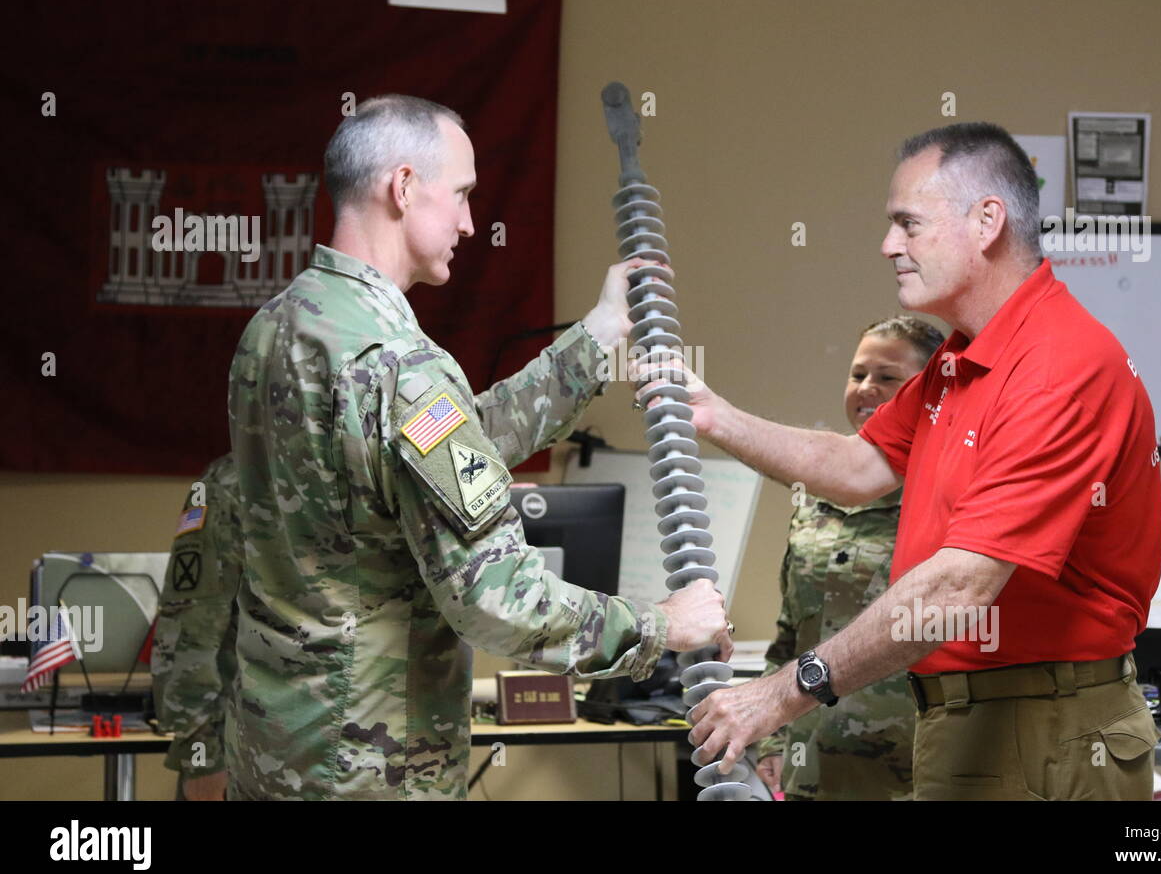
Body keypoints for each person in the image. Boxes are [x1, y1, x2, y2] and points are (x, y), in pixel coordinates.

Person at [225, 94, 730, 800]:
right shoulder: (401, 365)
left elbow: (438, 456)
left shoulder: (276, 329)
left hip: (274, 746)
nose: (468, 222)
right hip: (372, 763)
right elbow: (495, 598)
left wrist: (598, 337)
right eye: (461, 195)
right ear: (403, 187)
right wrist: (656, 626)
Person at [661, 122, 1161, 801]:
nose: (888, 246)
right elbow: (857, 465)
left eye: (908, 224)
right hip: (963, 714)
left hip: (1045, 727)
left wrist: (784, 693)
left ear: (987, 221)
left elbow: (959, 589)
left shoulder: (1058, 365)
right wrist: (711, 414)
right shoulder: (965, 357)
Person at [755, 316, 943, 801]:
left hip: (920, 767)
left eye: (887, 378)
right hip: (815, 764)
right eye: (858, 374)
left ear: (928, 390)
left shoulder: (945, 495)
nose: (866, 389)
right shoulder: (815, 500)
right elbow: (793, 633)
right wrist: (774, 738)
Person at [151, 452, 240, 801]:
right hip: (250, 754)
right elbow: (190, 624)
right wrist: (201, 759)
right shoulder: (233, 479)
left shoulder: (380, 461)